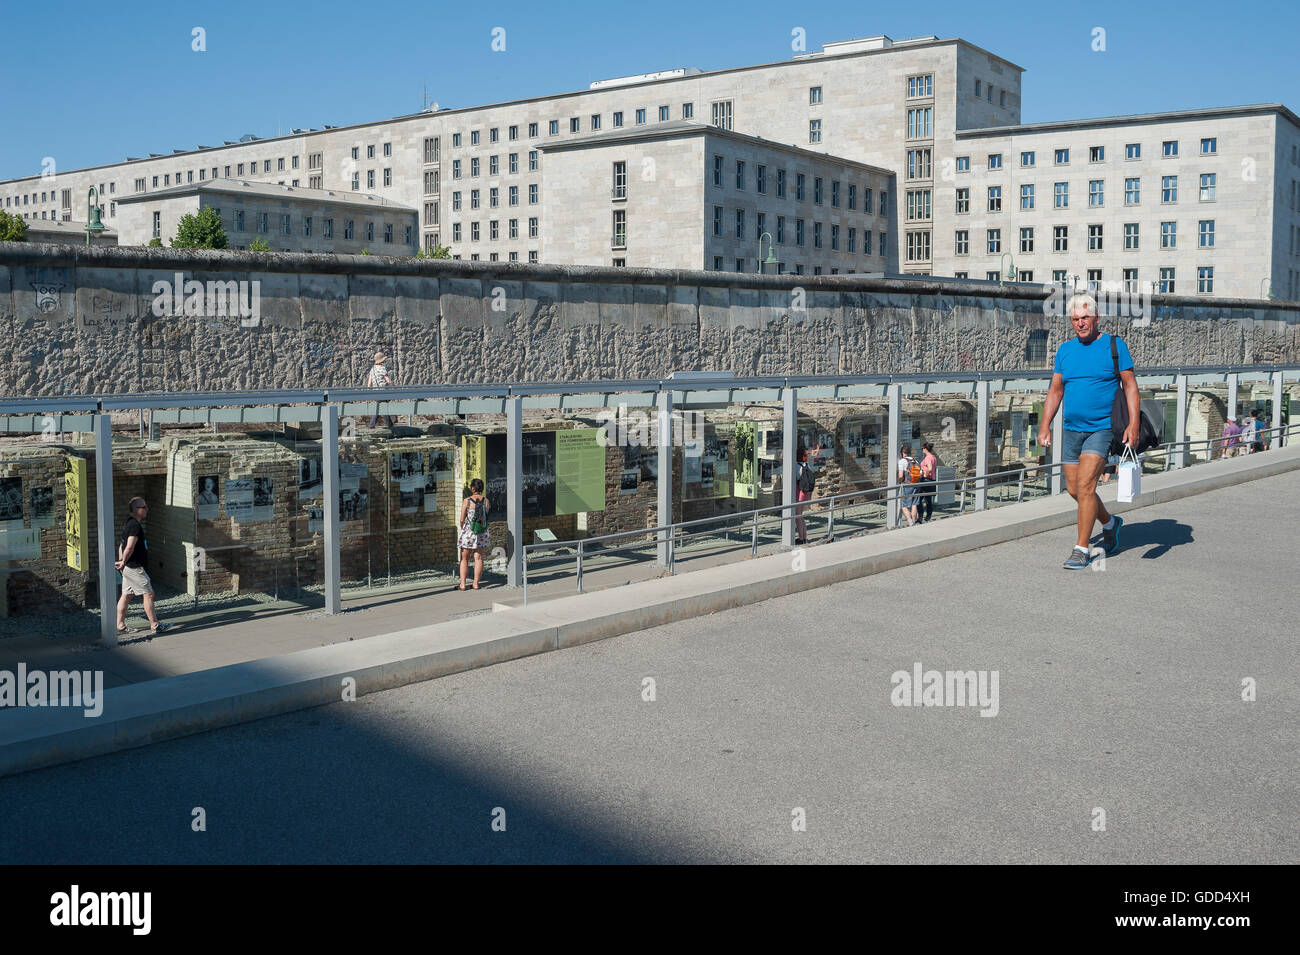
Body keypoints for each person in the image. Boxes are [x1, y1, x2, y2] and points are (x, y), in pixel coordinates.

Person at [1037, 293, 1138, 570]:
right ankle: (1109, 522)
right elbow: (1056, 390)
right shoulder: (1065, 351)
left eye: (1085, 318)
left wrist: (1133, 424)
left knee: (1085, 486)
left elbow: (1130, 385)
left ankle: (1081, 549)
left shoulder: (1114, 346)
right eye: (1075, 319)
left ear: (1096, 318)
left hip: (1102, 428)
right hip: (1072, 429)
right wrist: (1045, 425)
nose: (1080, 323)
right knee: (1074, 489)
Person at [114, 497, 171, 634]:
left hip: (128, 567)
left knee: (126, 595)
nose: (146, 509)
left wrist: (122, 561)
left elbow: (121, 545)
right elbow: (129, 547)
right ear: (135, 510)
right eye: (143, 507)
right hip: (134, 568)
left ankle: (120, 625)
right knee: (149, 594)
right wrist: (123, 561)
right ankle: (155, 624)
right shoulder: (134, 526)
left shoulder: (129, 523)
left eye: (146, 506)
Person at [457, 478, 491, 590]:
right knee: (479, 558)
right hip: (482, 532)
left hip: (469, 531)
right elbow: (485, 517)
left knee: (464, 558)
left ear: (472, 488)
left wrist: (463, 528)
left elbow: (462, 519)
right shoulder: (486, 501)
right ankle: (476, 584)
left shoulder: (467, 501)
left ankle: (462, 584)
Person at [793, 446, 817, 544]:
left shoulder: (797, 467)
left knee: (798, 517)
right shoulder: (807, 465)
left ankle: (801, 538)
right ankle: (804, 537)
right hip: (806, 493)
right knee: (801, 516)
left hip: (799, 493)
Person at [367, 351, 395, 428]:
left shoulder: (372, 369)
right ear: (382, 361)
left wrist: (368, 393)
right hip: (383, 392)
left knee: (381, 407)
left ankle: (388, 425)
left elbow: (369, 383)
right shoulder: (382, 368)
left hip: (375, 393)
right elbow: (388, 381)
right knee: (382, 408)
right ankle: (373, 425)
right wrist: (394, 388)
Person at [897, 443, 921, 527]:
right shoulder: (915, 460)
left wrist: (899, 482)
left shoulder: (902, 461)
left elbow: (900, 476)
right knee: (914, 504)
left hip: (907, 485)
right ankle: (914, 522)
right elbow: (920, 473)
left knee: (904, 506)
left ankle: (910, 522)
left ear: (902, 453)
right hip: (916, 484)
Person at [918, 442, 938, 523]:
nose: (922, 450)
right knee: (928, 500)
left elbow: (929, 468)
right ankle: (928, 516)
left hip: (926, 480)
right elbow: (933, 469)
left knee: (917, 499)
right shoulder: (934, 457)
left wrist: (925, 475)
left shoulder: (928, 458)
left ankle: (921, 515)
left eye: (922, 448)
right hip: (932, 480)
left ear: (925, 449)